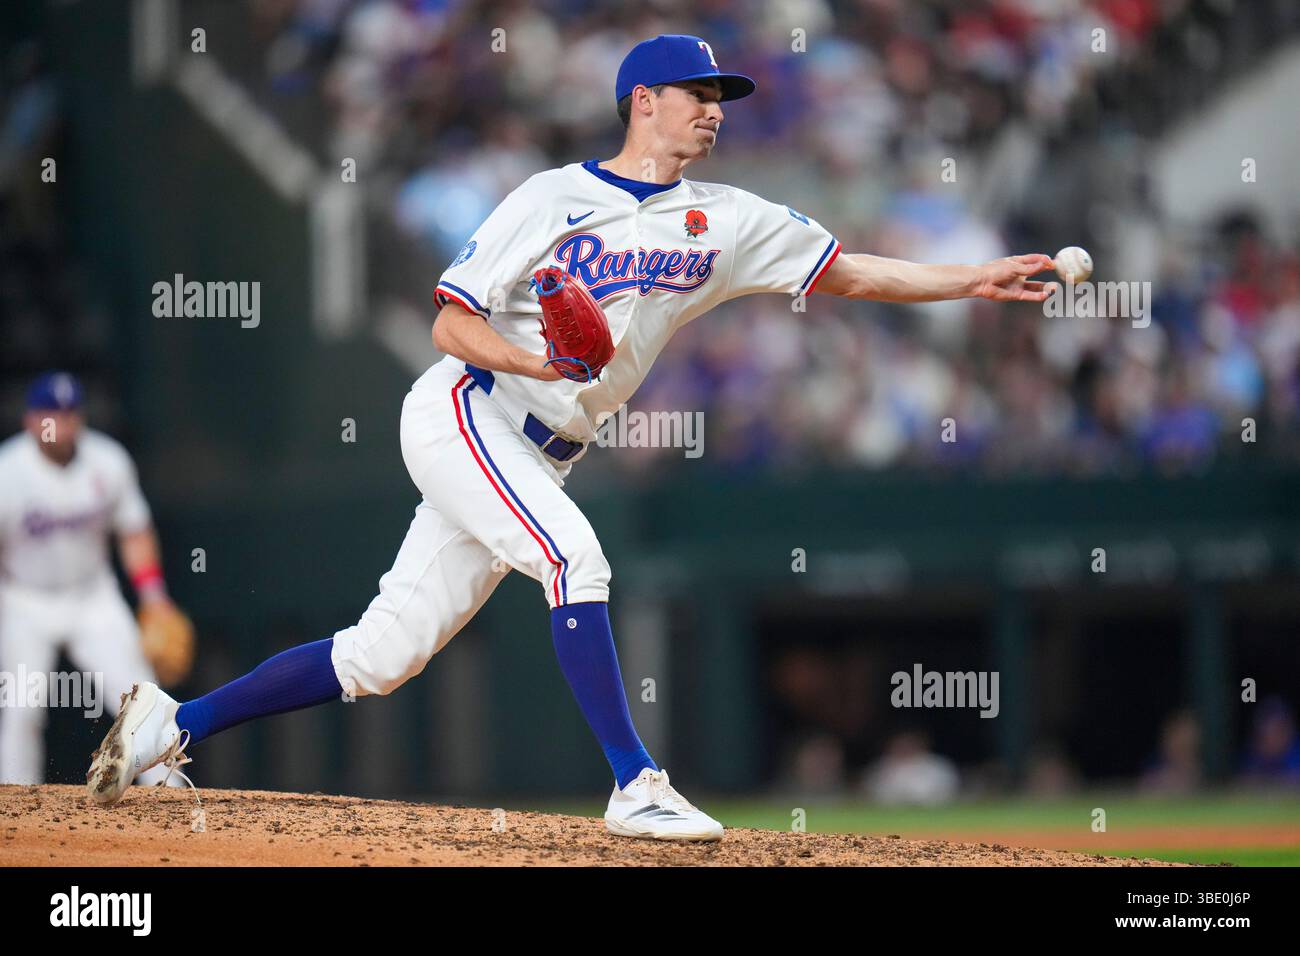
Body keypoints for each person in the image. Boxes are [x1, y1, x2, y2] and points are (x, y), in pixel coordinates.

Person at [87, 35, 1055, 840]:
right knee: (573, 554)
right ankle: (635, 782)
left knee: (382, 655)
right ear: (642, 101)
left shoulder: (727, 219)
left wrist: (971, 277)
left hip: (543, 445)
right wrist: (537, 364)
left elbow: (849, 270)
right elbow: (449, 323)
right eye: (697, 94)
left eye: (723, 96)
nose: (715, 109)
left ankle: (169, 722)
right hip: (469, 409)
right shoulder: (547, 197)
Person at [0, 372, 182, 786]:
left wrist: (154, 596)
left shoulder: (109, 460)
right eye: (50, 415)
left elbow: (134, 531)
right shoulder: (6, 472)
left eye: (68, 414)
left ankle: (167, 795)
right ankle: (12, 810)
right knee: (22, 709)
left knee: (142, 698)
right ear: (30, 419)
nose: (59, 424)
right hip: (24, 600)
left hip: (92, 598)